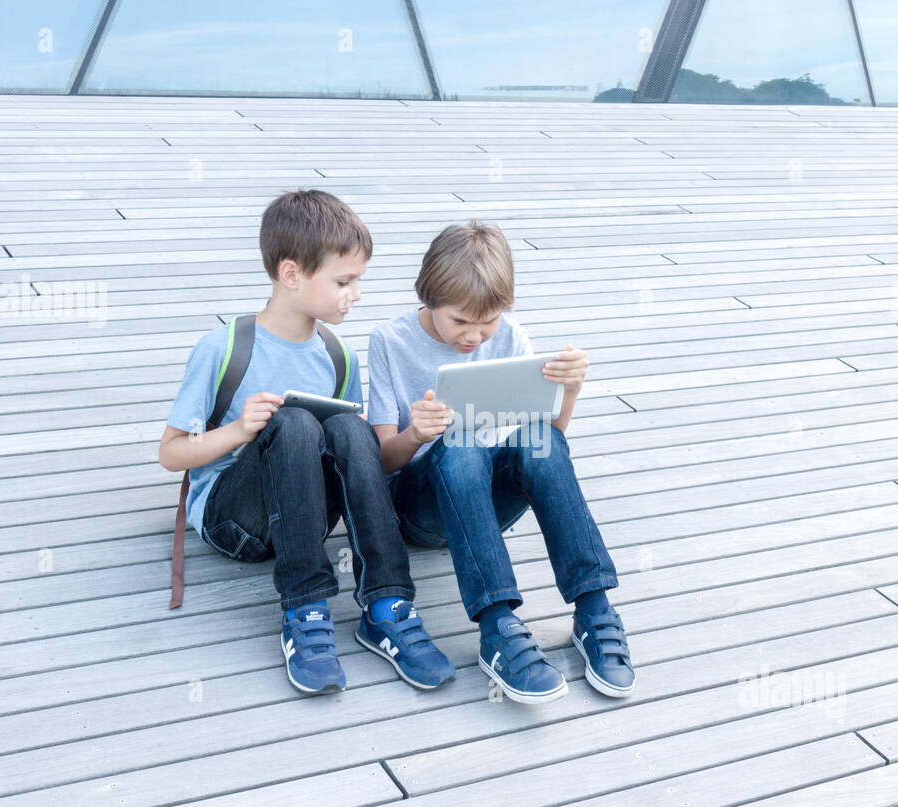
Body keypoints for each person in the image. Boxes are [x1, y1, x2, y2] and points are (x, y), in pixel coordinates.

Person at [158, 190, 454, 696]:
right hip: (238, 524)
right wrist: (239, 431)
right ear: (291, 275)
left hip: (303, 517)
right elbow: (170, 454)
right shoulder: (223, 348)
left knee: (348, 427)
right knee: (292, 423)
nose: (355, 295)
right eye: (344, 281)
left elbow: (359, 458)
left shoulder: (339, 356)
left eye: (357, 280)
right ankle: (305, 606)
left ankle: (386, 605)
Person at [367, 220, 633, 705]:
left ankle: (593, 608)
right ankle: (498, 627)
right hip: (419, 506)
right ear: (428, 297)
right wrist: (416, 434)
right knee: (462, 446)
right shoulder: (390, 341)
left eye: (486, 321)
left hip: (484, 505)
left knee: (539, 441)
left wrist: (568, 389)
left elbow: (548, 444)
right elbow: (381, 461)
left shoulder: (509, 335)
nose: (475, 335)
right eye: (460, 321)